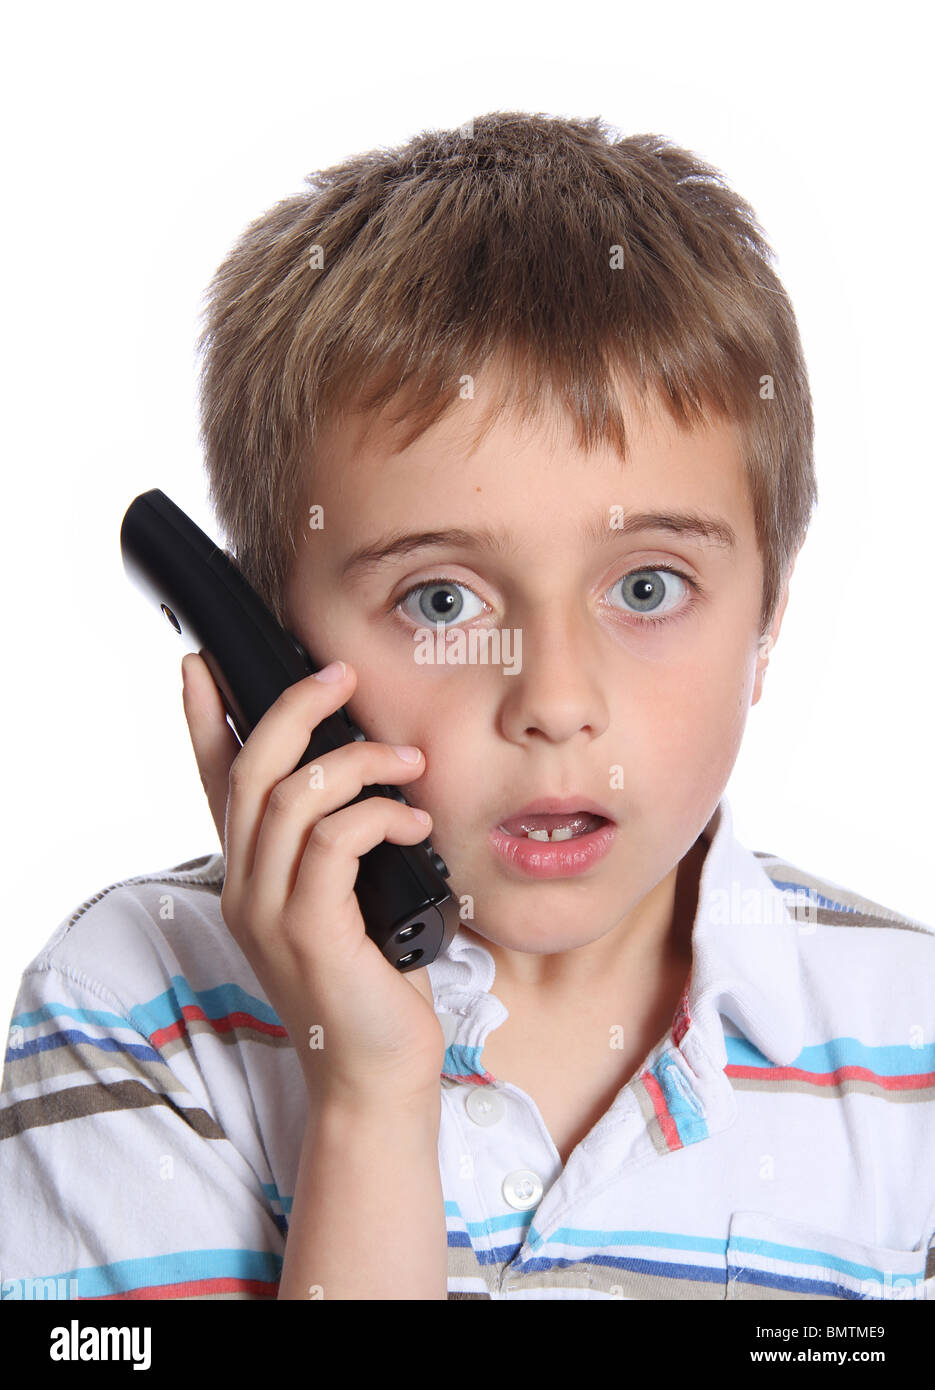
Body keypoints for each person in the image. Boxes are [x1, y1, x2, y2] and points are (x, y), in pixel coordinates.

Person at [2, 112, 933, 1302]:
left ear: (765, 626)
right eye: (440, 599)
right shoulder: (132, 1015)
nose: (552, 703)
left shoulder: (910, 1049)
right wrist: (365, 1103)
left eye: (645, 587)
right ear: (267, 652)